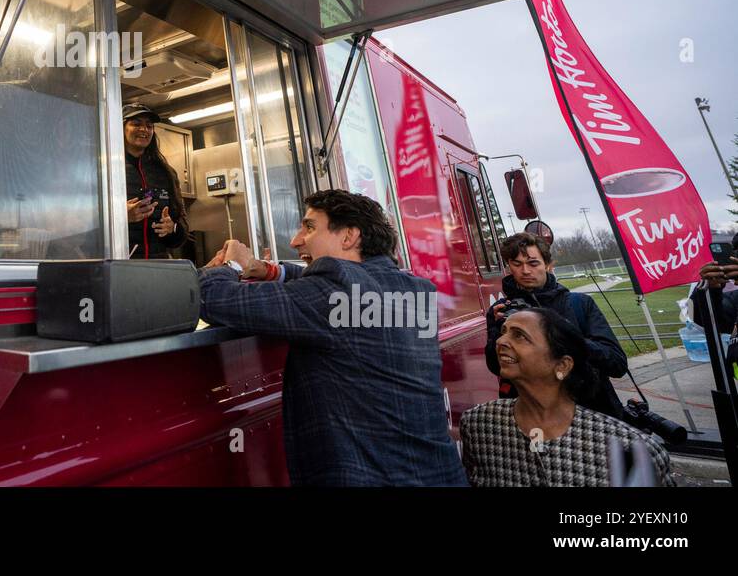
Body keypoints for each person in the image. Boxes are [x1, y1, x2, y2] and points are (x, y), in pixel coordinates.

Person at [199, 189, 466, 486]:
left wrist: (233, 265)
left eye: (310, 227)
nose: (296, 240)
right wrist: (268, 270)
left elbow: (211, 297)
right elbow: (326, 287)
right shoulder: (413, 290)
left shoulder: (335, 293)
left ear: (349, 236)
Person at [461, 307, 674, 486]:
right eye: (503, 331)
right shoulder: (477, 424)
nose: (501, 341)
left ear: (562, 365)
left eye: (519, 336)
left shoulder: (629, 448)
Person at [484, 232, 628, 420]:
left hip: (591, 412)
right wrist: (498, 331)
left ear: (547, 264)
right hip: (532, 416)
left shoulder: (579, 304)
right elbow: (496, 367)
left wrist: (565, 337)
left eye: (533, 263)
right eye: (517, 264)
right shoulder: (501, 311)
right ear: (509, 266)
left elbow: (617, 364)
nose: (525, 271)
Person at [121, 103, 188, 259]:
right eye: (136, 124)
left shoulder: (166, 173)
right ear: (121, 128)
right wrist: (121, 217)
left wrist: (173, 228)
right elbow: (84, 224)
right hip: (120, 264)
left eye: (149, 126)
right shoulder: (105, 170)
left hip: (158, 265)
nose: (144, 129)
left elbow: (182, 225)